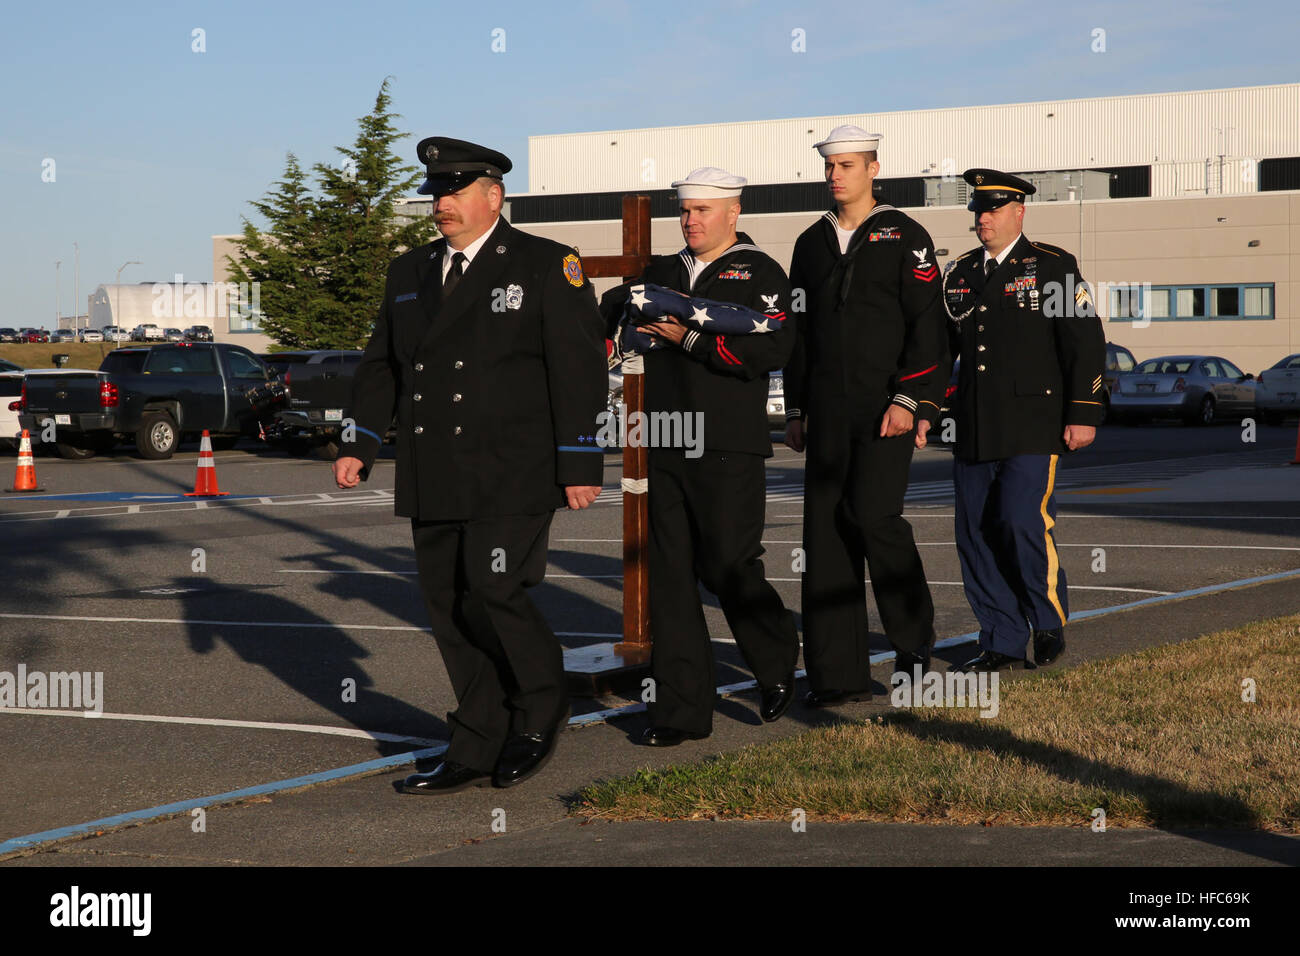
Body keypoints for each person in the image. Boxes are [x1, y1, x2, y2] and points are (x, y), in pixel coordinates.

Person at [333, 137, 607, 792]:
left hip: (514, 468)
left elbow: (579, 368)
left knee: (494, 589)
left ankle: (539, 708)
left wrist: (580, 459)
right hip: (435, 467)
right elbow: (383, 366)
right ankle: (477, 739)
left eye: (455, 192)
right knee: (449, 605)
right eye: (436, 193)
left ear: (494, 196)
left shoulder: (546, 265)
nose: (442, 204)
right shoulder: (410, 273)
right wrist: (359, 440)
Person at [600, 167, 800, 746]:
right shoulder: (660, 272)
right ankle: (680, 713)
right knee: (669, 580)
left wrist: (687, 336)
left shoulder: (759, 272)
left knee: (729, 567)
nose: (691, 221)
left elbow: (771, 346)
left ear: (733, 213)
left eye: (703, 211)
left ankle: (775, 655)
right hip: (665, 438)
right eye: (685, 211)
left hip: (727, 443)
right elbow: (618, 310)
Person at [783, 126, 948, 707]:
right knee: (825, 537)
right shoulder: (809, 243)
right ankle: (837, 674)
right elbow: (797, 334)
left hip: (884, 407)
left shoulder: (906, 235)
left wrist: (912, 400)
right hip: (826, 411)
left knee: (875, 518)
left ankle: (912, 643)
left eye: (847, 166)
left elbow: (928, 324)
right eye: (830, 167)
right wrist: (797, 407)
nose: (836, 176)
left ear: (873, 169)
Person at [940, 168, 1105, 672]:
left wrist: (1084, 412)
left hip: (1034, 422)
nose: (983, 219)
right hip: (974, 424)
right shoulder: (962, 272)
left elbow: (1083, 340)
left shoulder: (1052, 266)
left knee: (1019, 518)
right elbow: (941, 349)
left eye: (992, 210)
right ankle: (1002, 640)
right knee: (976, 534)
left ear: (1019, 212)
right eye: (978, 211)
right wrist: (924, 409)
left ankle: (1046, 618)